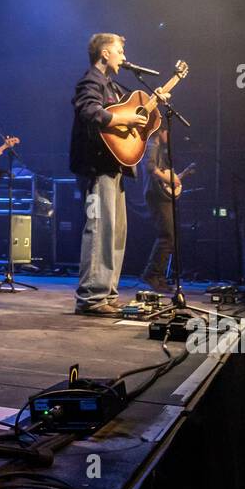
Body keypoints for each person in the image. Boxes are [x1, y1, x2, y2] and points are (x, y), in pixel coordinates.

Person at [68, 33, 166, 315]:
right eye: (120, 51)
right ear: (105, 54)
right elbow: (90, 111)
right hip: (96, 167)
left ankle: (106, 293)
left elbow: (131, 119)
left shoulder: (113, 85)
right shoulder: (91, 81)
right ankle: (91, 297)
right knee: (99, 229)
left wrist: (151, 107)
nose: (124, 57)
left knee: (116, 232)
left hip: (114, 166)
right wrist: (125, 118)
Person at [139, 123, 177, 291]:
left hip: (161, 194)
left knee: (170, 237)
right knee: (166, 235)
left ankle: (159, 276)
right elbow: (149, 167)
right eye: (167, 132)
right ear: (161, 131)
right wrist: (168, 179)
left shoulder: (160, 148)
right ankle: (151, 274)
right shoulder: (152, 143)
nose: (168, 136)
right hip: (156, 194)